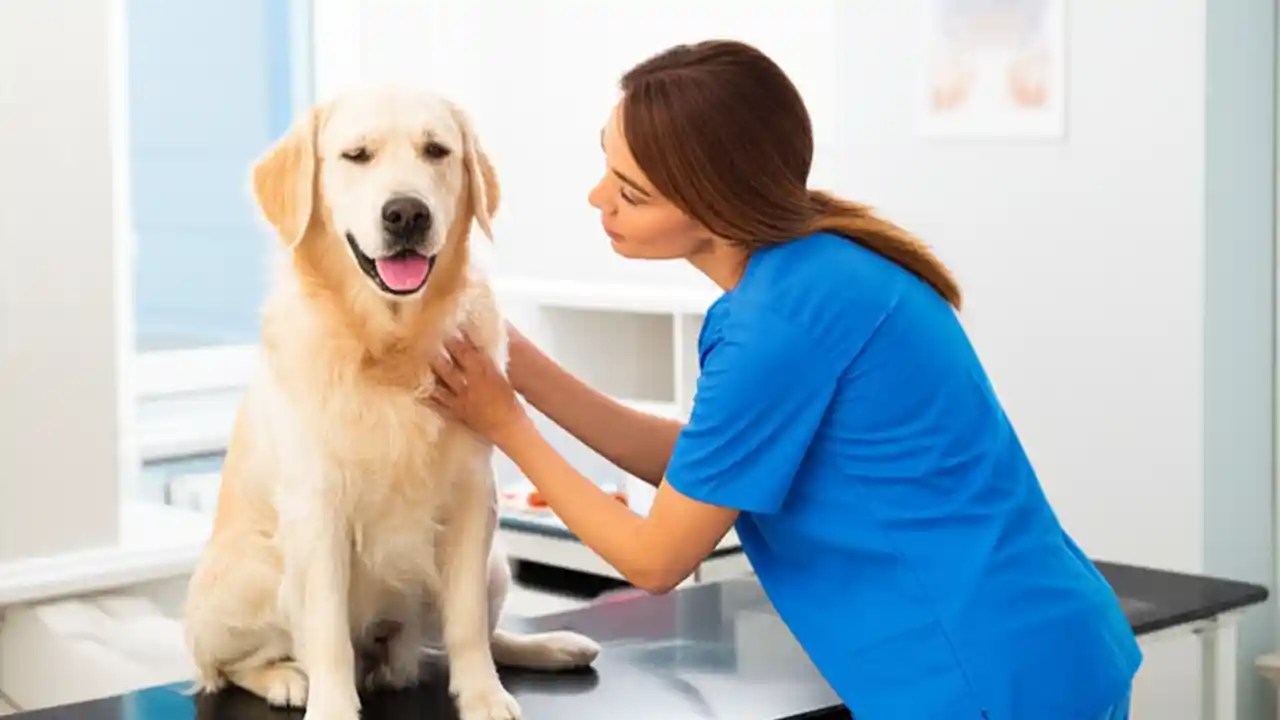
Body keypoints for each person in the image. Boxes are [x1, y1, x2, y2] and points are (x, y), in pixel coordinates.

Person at [427, 39, 1140, 719]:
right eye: (607, 167)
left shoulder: (775, 326)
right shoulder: (825, 267)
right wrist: (515, 369)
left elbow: (654, 558)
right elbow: (710, 467)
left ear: (711, 204)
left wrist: (506, 425)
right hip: (1052, 648)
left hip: (976, 679)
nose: (597, 198)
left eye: (631, 192)